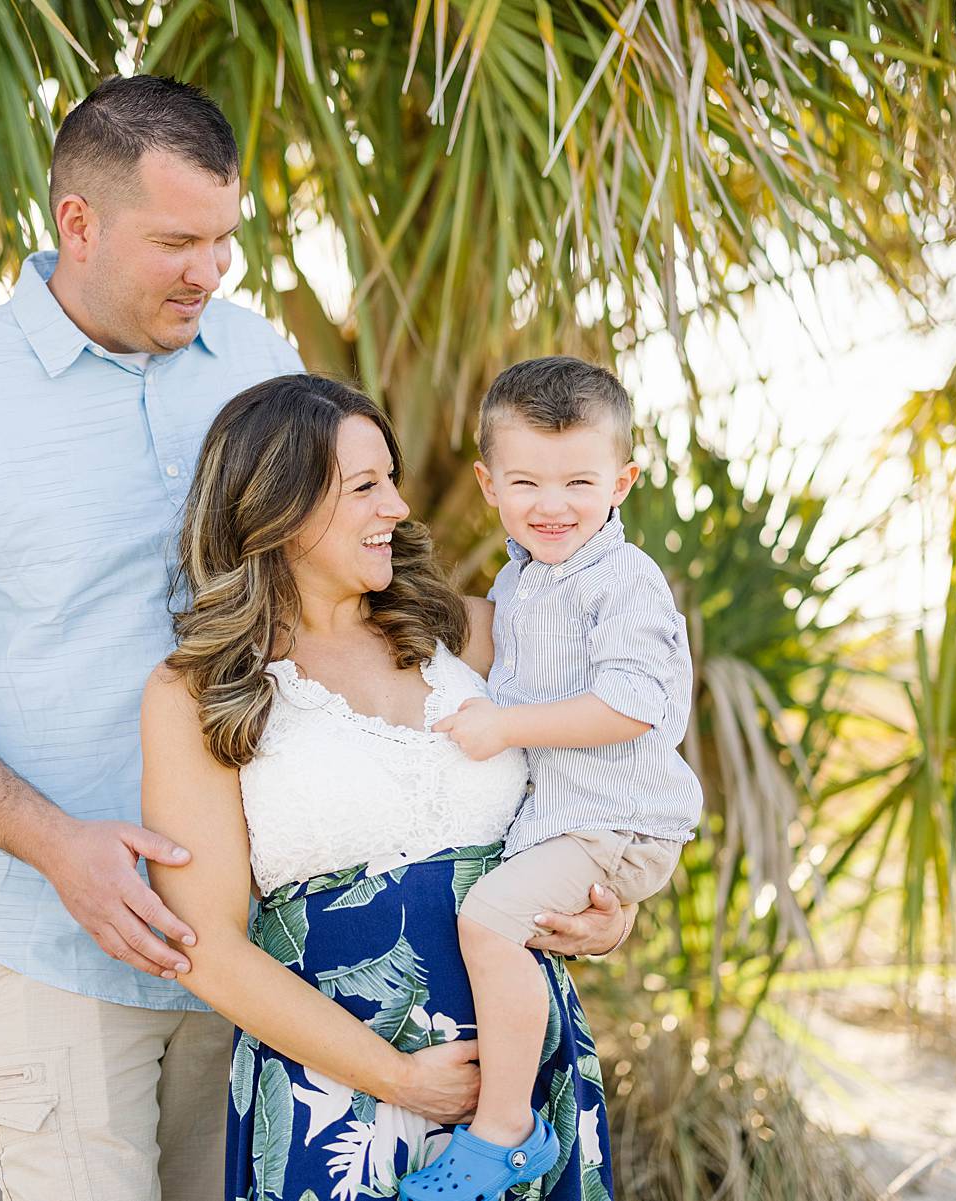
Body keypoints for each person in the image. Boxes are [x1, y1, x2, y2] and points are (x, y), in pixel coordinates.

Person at [0, 78, 625, 1199]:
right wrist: (61, 845)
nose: (210, 272)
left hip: (278, 949)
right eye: (177, 242)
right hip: (60, 943)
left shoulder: (255, 354)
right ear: (78, 224)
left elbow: (346, 590)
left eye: (224, 240)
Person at [141, 374, 618, 1201]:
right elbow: (205, 946)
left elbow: (604, 786)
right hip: (340, 1098)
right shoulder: (201, 690)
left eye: (389, 479)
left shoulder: (473, 635)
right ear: (278, 508)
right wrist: (399, 1077)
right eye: (366, 486)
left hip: (522, 1086)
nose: (397, 506)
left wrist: (612, 912)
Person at [400, 356, 704, 1200]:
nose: (553, 503)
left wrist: (504, 727)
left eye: (580, 480)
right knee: (502, 921)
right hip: (574, 824)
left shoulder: (623, 576)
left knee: (491, 918)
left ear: (623, 480)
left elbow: (635, 703)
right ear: (487, 483)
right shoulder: (521, 579)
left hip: (618, 822)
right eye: (527, 479)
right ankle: (511, 1120)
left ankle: (506, 1130)